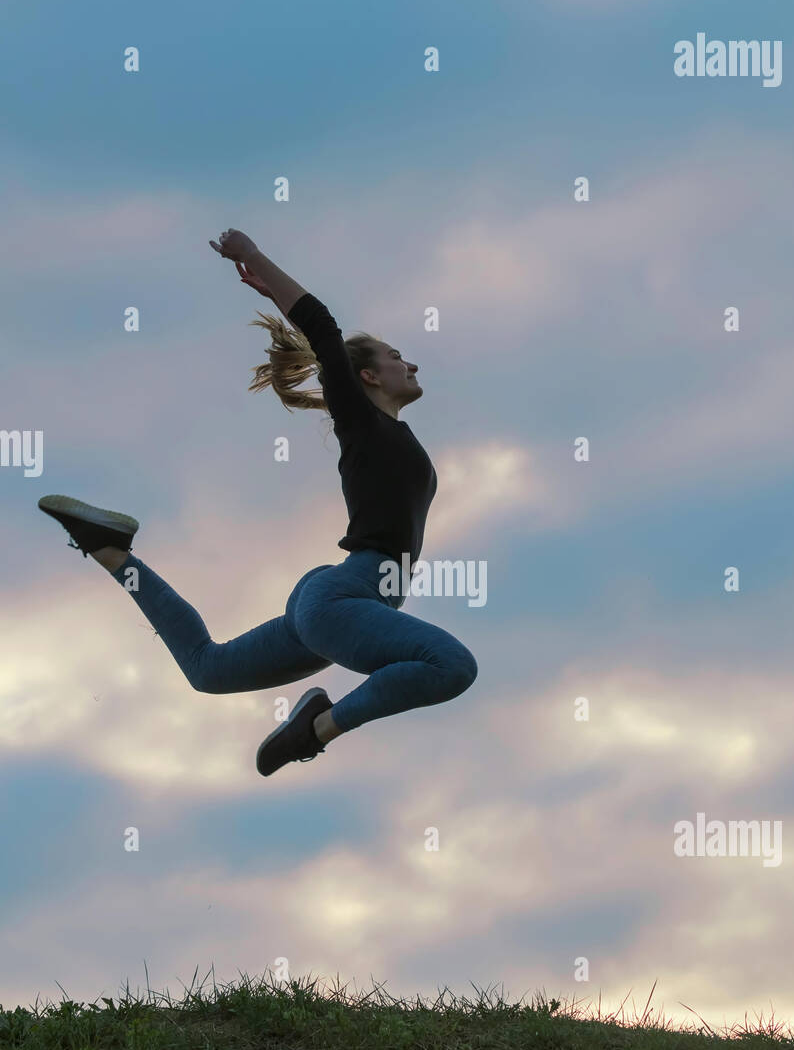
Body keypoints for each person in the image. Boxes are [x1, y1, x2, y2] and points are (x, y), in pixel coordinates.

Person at [38, 229, 477, 774]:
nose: (412, 366)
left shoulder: (392, 434)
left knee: (209, 670)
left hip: (339, 601)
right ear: (367, 375)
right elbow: (322, 326)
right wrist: (255, 262)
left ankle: (110, 551)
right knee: (452, 666)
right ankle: (315, 729)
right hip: (346, 596)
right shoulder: (362, 421)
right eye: (397, 357)